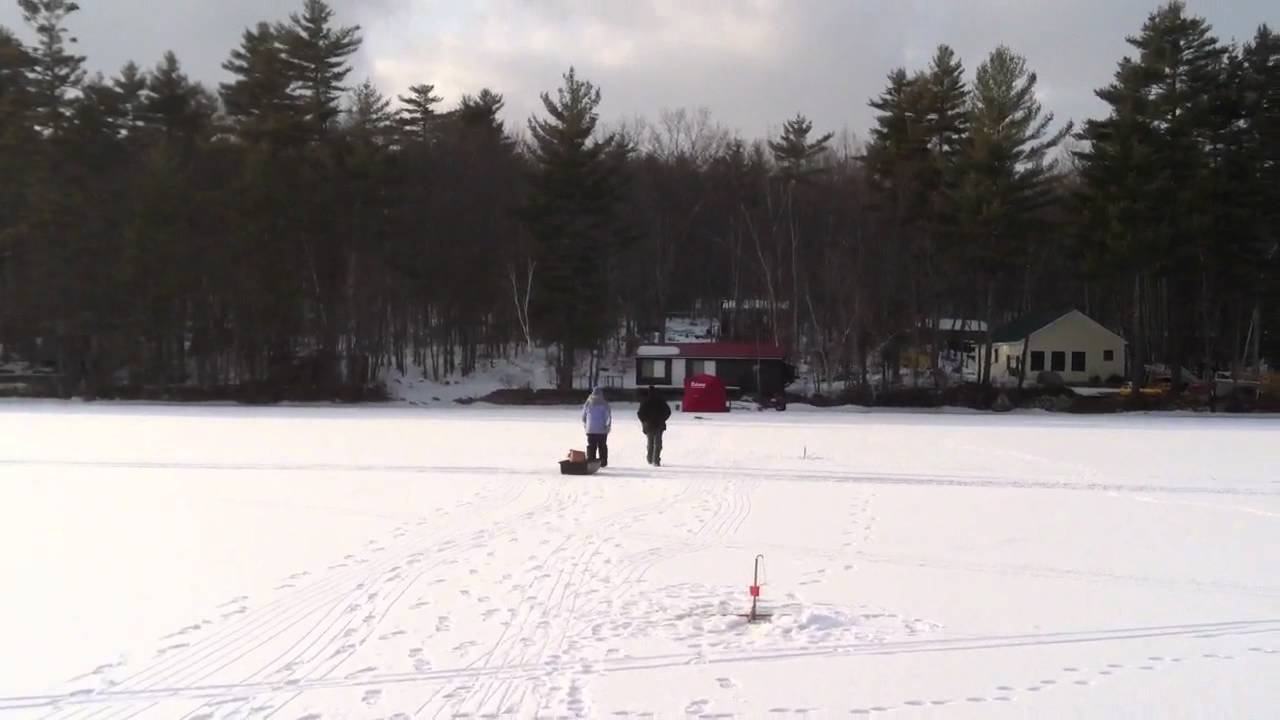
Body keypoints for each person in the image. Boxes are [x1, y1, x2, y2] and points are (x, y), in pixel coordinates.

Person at [636, 385, 672, 466]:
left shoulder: (645, 401)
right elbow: (668, 412)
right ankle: (656, 460)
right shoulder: (660, 401)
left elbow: (640, 414)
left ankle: (650, 459)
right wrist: (663, 419)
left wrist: (644, 421)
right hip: (659, 424)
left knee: (650, 442)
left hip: (649, 424)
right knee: (658, 443)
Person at [581, 386, 612, 467]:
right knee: (602, 446)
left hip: (590, 430)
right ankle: (603, 462)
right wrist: (608, 426)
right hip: (602, 430)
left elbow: (583, 417)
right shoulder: (604, 404)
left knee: (591, 446)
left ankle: (591, 461)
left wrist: (586, 426)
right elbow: (608, 417)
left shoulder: (588, 403)